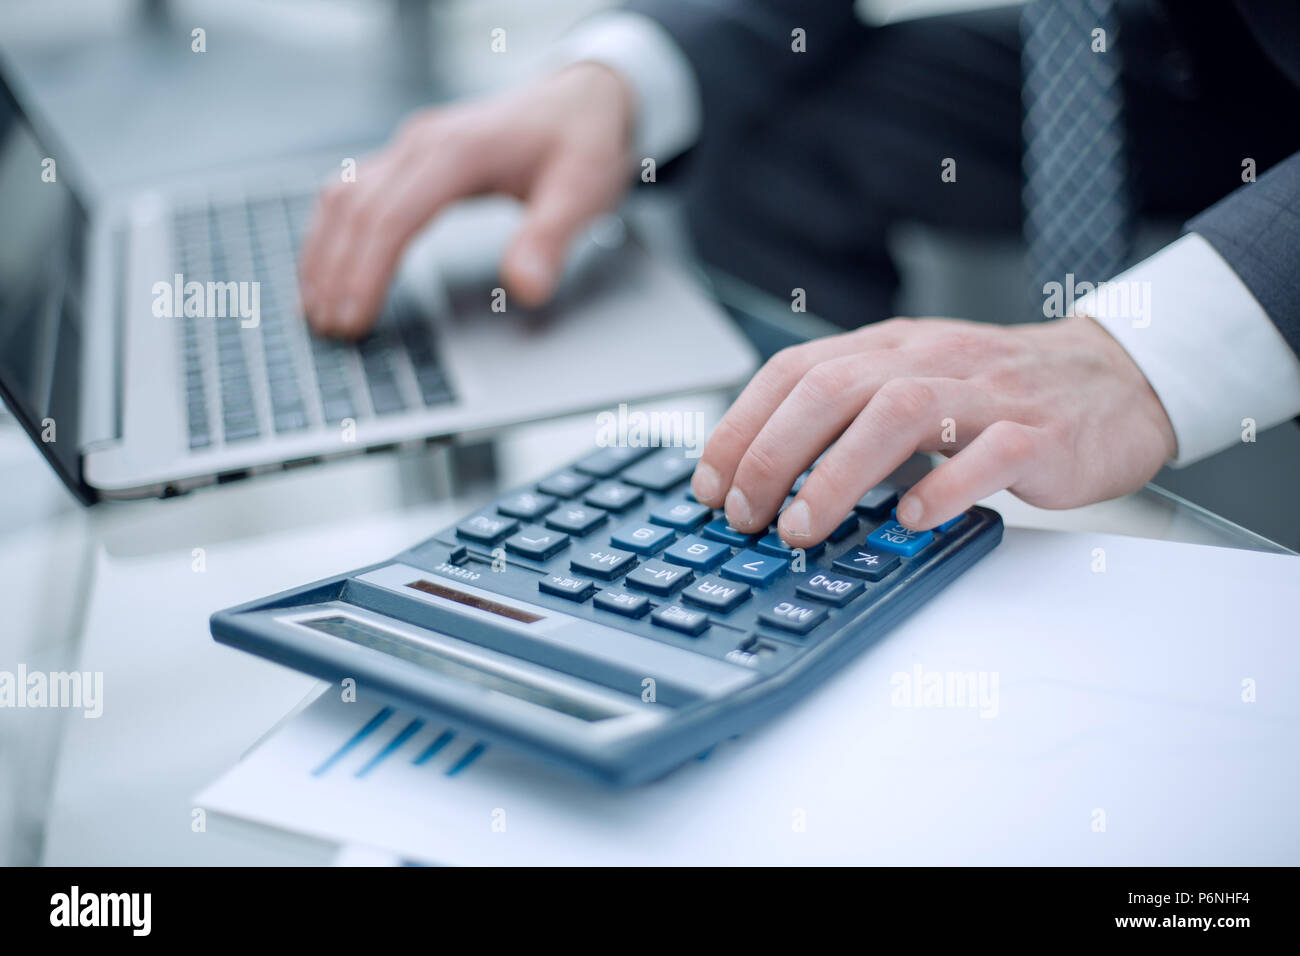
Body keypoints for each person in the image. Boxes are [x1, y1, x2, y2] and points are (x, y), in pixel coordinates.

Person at [297, 0, 1300, 548]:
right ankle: (862, 532)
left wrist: (1128, 355)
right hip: (1211, 47)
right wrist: (616, 79)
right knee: (775, 133)